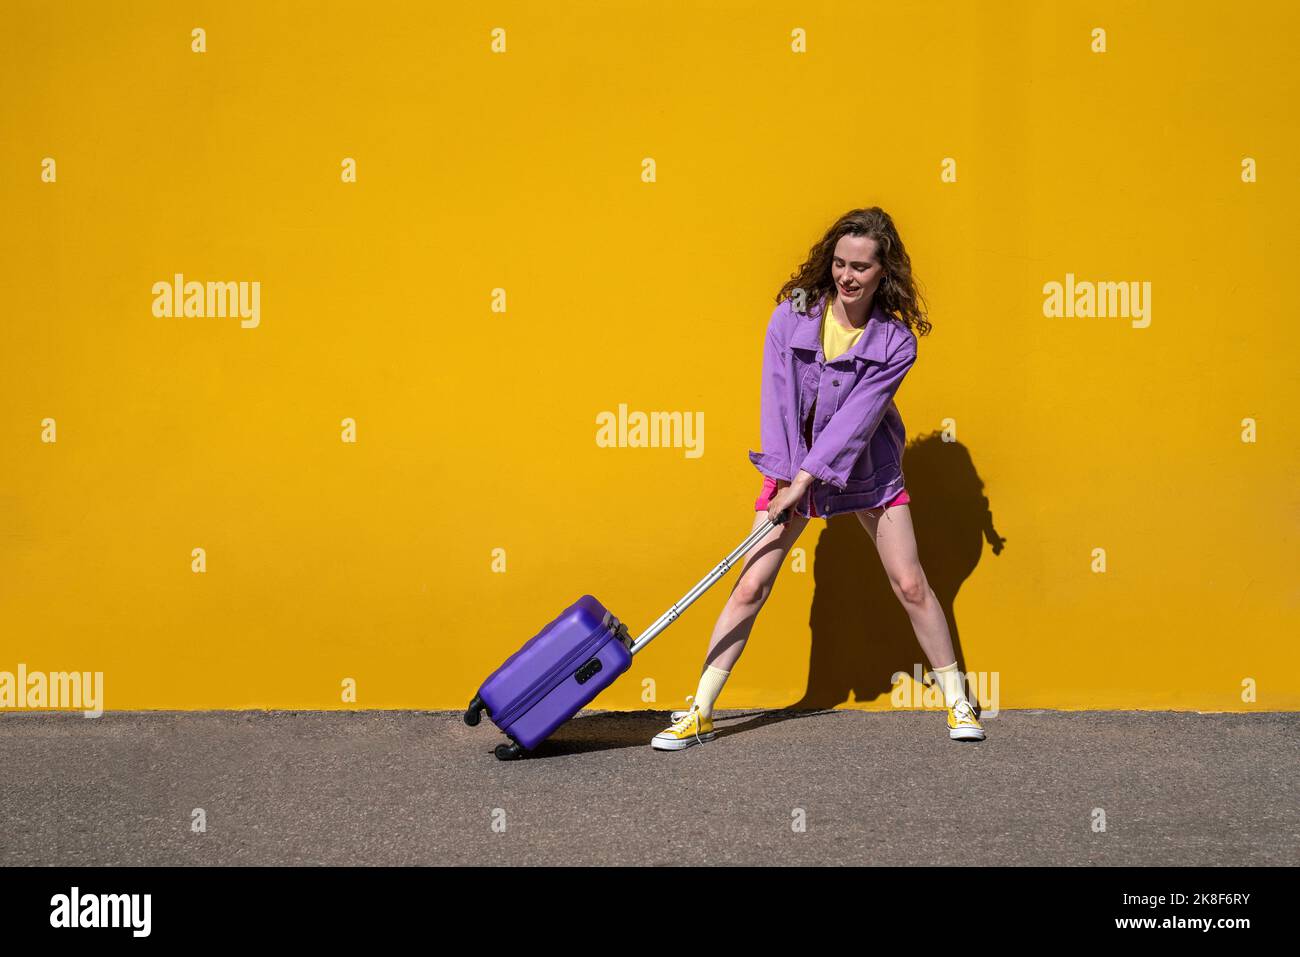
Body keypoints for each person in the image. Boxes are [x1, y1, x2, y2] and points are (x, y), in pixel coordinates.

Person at [651, 207, 985, 750]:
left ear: (884, 272)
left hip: (866, 469)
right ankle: (700, 712)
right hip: (791, 469)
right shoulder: (793, 315)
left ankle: (957, 701)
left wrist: (806, 482)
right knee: (751, 584)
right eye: (838, 263)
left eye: (860, 267)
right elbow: (777, 402)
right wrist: (786, 478)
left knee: (910, 583)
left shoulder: (895, 343)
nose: (846, 276)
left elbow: (858, 420)